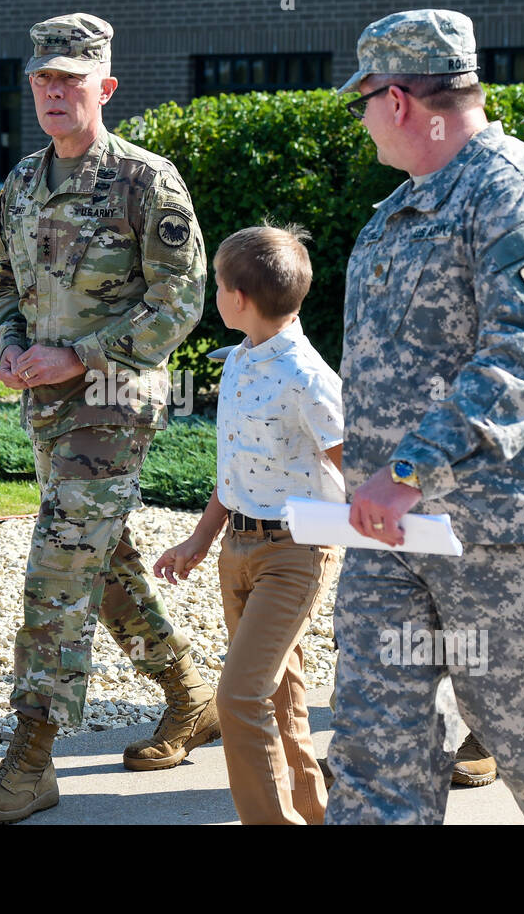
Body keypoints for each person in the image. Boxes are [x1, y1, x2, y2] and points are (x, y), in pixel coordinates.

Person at [328, 9, 524, 824]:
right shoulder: (398, 211)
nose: (361, 121)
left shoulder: (518, 195)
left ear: (396, 100)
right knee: (371, 757)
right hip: (396, 542)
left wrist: (406, 471)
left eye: (362, 102)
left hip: (519, 541)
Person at [0, 12, 215, 824]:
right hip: (45, 409)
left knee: (60, 565)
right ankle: (187, 693)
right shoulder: (22, 182)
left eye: (70, 80)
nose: (54, 92)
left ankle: (32, 757)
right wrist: (11, 347)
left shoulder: (148, 181)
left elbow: (180, 301)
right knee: (102, 562)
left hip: (112, 402)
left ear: (104, 87)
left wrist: (83, 356)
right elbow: (5, 284)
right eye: (43, 79)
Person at [155, 223, 343, 825]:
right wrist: (201, 539)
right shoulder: (237, 363)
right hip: (238, 547)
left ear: (238, 299)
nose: (214, 295)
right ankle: (320, 814)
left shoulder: (309, 380)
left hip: (297, 554)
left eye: (215, 285)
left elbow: (358, 467)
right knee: (281, 693)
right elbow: (236, 470)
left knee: (238, 698)